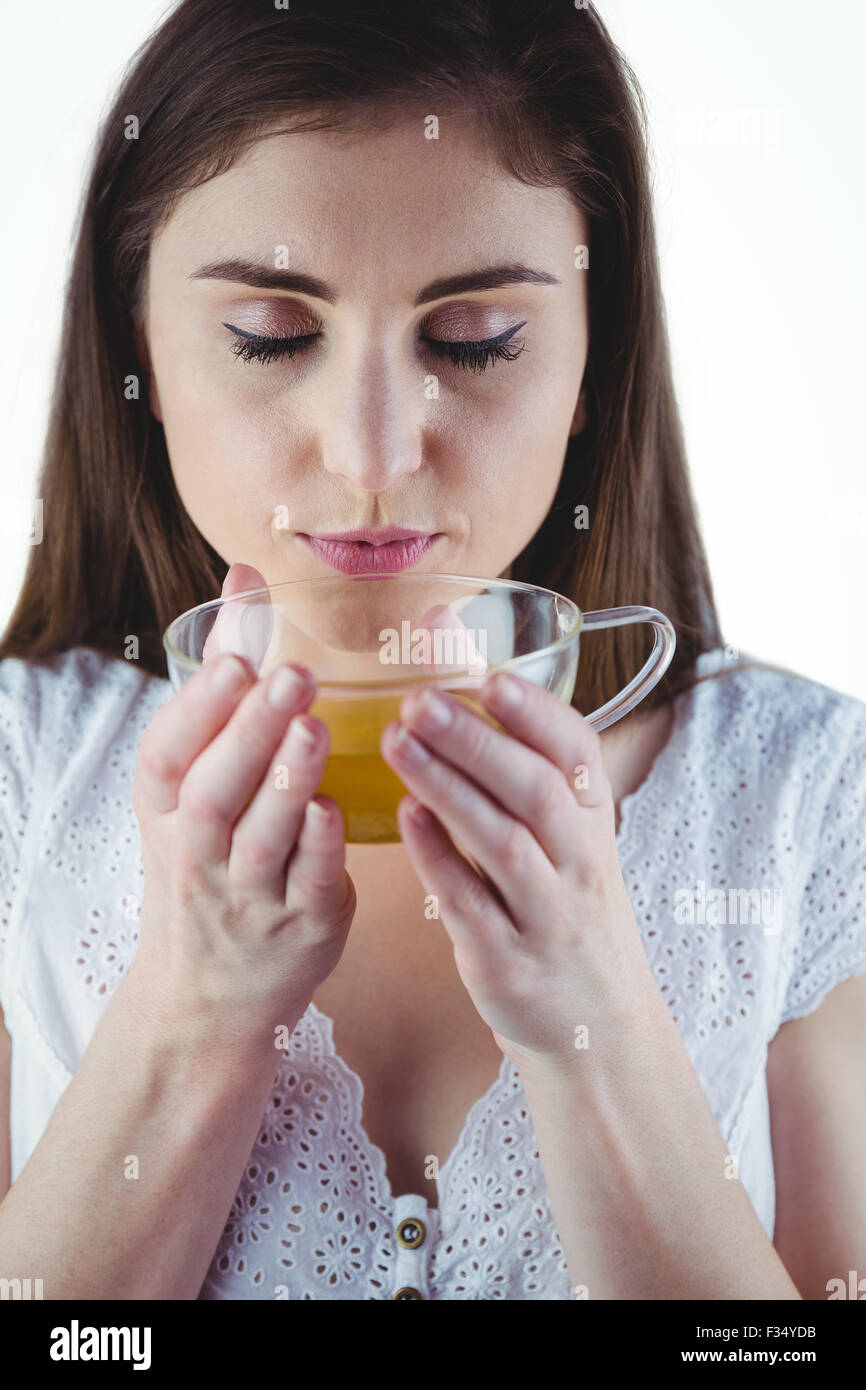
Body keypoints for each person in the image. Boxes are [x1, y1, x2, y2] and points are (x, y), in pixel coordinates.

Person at [0, 0, 863, 1302]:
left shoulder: (806, 799)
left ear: (588, 359)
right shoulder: (20, 779)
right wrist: (188, 1012)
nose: (373, 449)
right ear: (142, 352)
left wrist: (598, 1026)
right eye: (270, 336)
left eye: (474, 341)